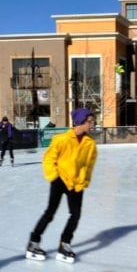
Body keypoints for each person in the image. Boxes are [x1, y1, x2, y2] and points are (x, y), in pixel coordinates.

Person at [26, 108, 98, 264]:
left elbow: (90, 164)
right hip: (60, 180)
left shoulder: (90, 143)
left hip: (76, 183)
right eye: (90, 121)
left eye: (93, 121)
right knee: (50, 213)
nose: (92, 124)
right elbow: (48, 159)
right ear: (80, 122)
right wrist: (54, 176)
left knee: (76, 215)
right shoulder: (62, 139)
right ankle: (33, 243)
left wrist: (85, 180)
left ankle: (65, 244)